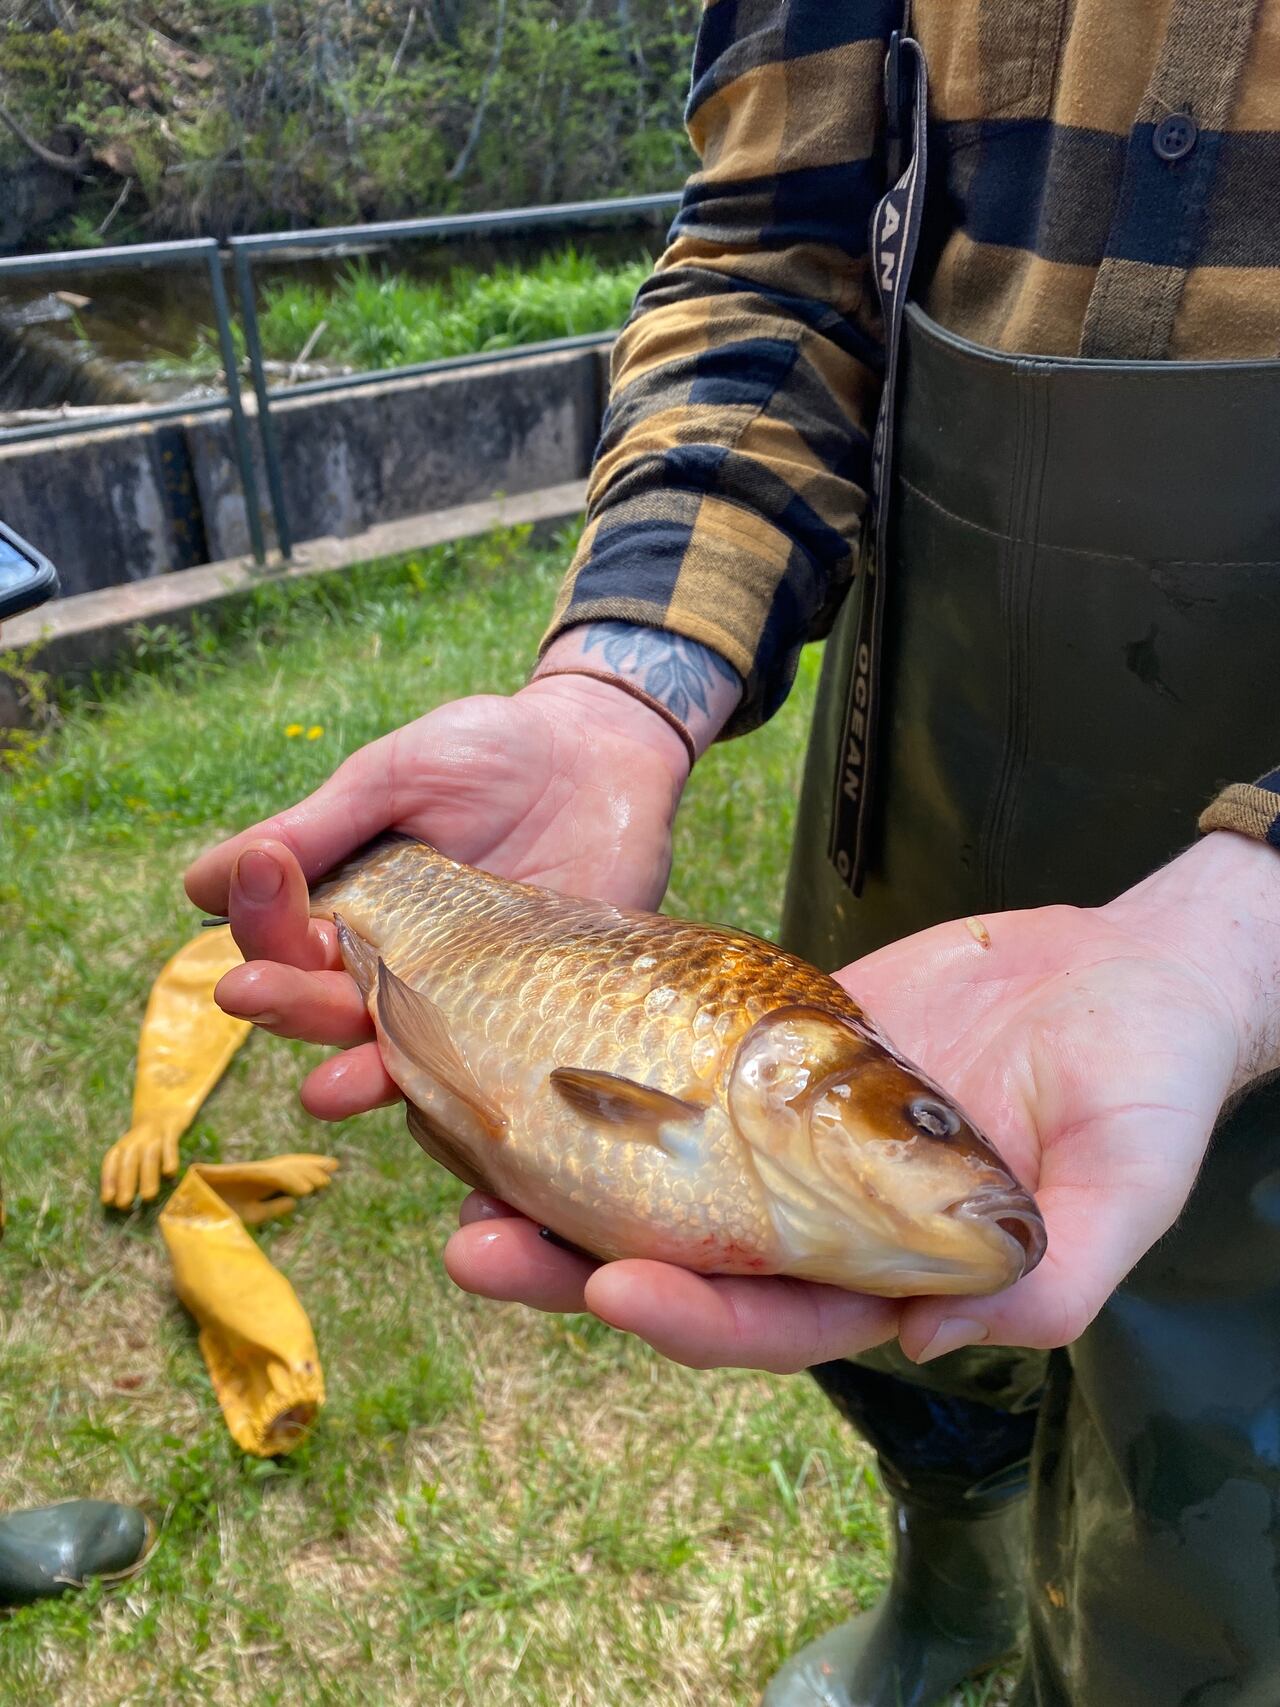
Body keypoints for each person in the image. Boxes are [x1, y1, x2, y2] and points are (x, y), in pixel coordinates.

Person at [185, 4, 1280, 1702]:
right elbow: (779, 258)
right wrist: (624, 685)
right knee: (921, 1355)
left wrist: (1251, 913)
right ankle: (956, 1579)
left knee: (1235, 1498)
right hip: (937, 751)